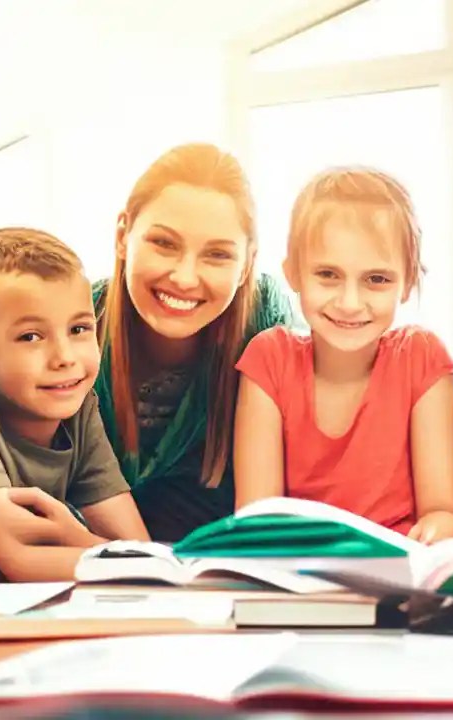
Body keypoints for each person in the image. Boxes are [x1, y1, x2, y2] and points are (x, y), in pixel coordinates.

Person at [233, 167, 453, 541]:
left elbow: (443, 512)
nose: (350, 303)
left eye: (377, 279)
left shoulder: (421, 358)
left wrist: (438, 528)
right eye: (327, 274)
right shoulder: (269, 360)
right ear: (292, 273)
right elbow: (257, 518)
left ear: (407, 283)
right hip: (296, 572)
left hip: (399, 577)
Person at [94, 143, 292, 541]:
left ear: (247, 265)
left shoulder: (266, 323)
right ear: (122, 236)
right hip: (82, 567)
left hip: (216, 569)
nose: (184, 278)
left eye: (217, 255)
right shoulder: (73, 318)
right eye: (164, 244)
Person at [0, 227, 149, 582]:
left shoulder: (78, 408)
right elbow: (24, 560)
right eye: (31, 336)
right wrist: (121, 557)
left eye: (79, 329)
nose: (65, 357)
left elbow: (137, 545)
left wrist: (72, 536)